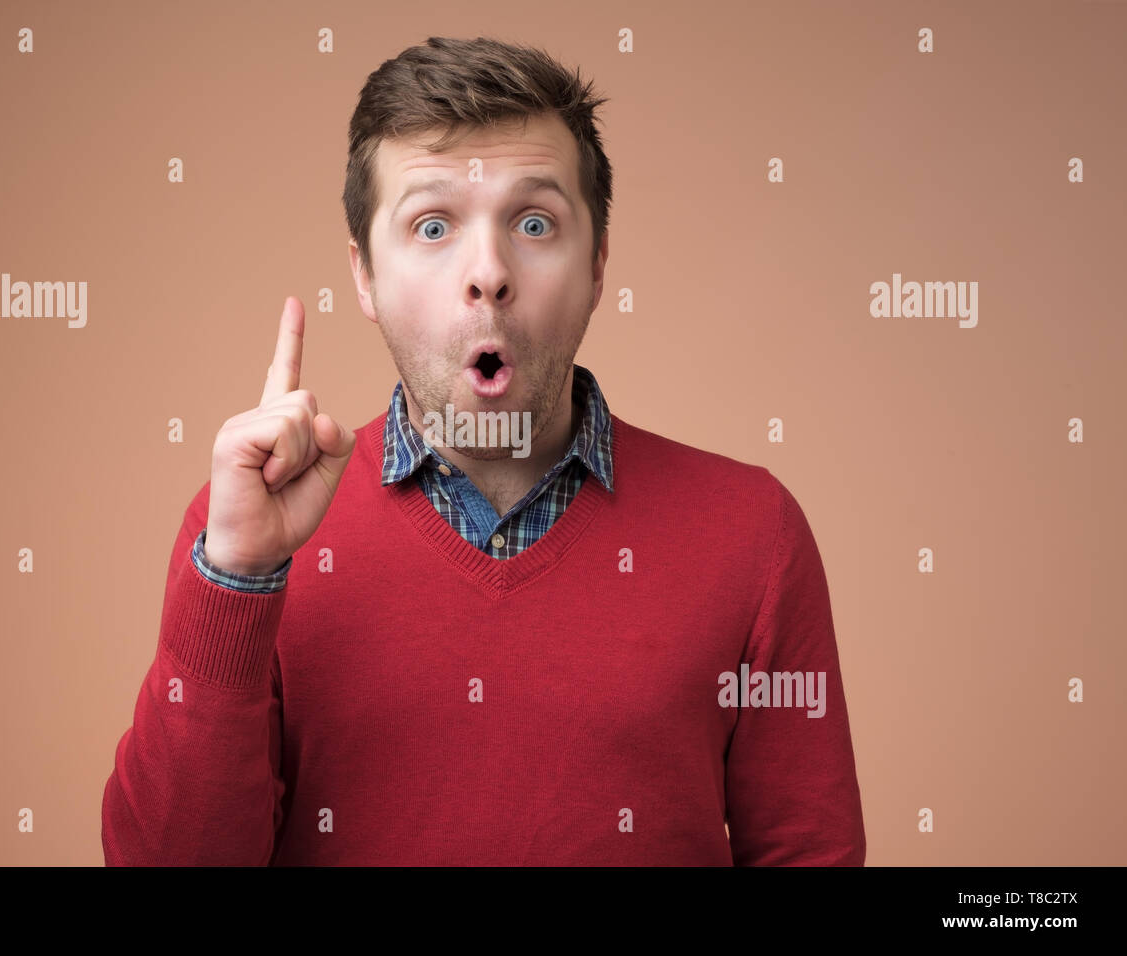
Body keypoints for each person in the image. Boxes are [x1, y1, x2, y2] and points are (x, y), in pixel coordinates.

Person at [101, 35, 866, 866]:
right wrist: (239, 581)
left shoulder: (753, 534)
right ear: (363, 276)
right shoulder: (248, 536)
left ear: (599, 262)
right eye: (432, 226)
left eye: (534, 222)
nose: (489, 273)